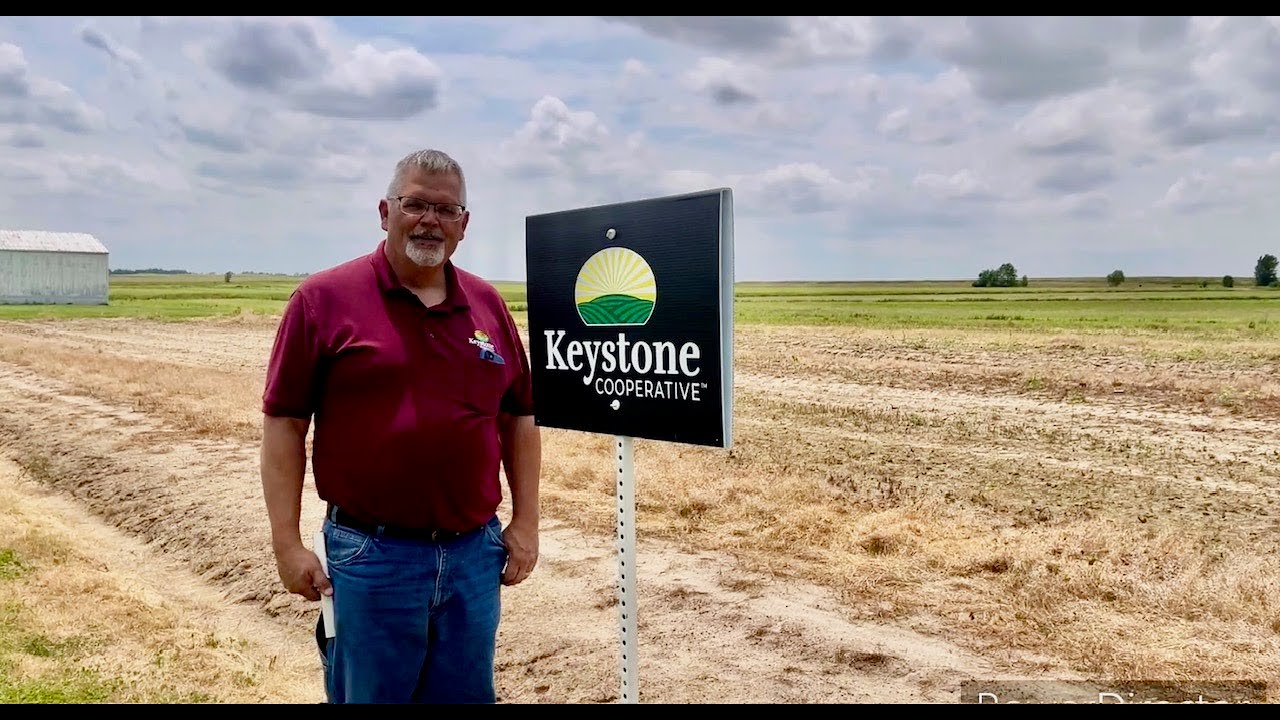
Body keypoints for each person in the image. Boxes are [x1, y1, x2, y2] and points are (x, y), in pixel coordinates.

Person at [259, 148, 541, 704]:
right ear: (386, 212)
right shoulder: (323, 300)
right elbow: (285, 425)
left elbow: (518, 418)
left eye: (445, 209)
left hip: (472, 558)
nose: (429, 220)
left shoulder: (487, 305)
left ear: (464, 225)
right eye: (415, 204)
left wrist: (526, 522)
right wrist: (286, 543)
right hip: (371, 557)